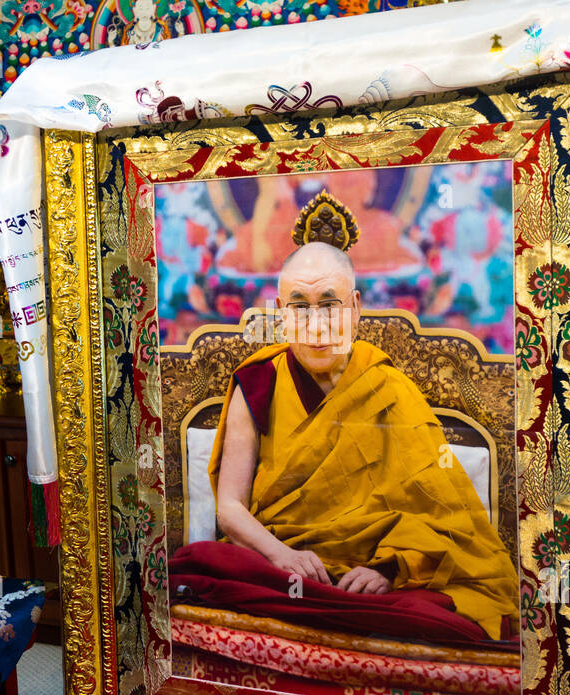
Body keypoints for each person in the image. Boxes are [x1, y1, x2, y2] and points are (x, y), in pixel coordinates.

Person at [208, 240, 519, 640]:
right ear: (282, 312)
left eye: (330, 304)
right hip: (279, 565)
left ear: (354, 308)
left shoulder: (387, 389)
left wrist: (388, 570)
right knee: (201, 562)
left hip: (364, 579)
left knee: (440, 612)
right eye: (300, 306)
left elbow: (447, 518)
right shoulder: (258, 381)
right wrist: (282, 556)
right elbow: (230, 507)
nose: (316, 324)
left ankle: (347, 608)